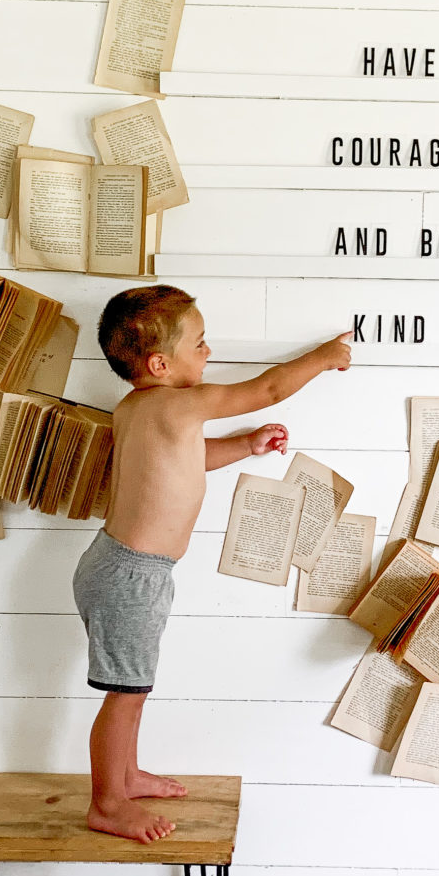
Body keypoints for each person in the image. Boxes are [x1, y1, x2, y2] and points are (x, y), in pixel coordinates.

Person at [74, 286, 352, 841]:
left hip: (122, 568)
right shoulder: (181, 404)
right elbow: (268, 388)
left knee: (135, 685)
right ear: (160, 363)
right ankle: (106, 802)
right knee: (125, 693)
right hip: (132, 574)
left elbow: (187, 462)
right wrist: (325, 356)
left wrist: (245, 446)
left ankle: (125, 776)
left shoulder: (136, 410)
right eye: (199, 345)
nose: (208, 353)